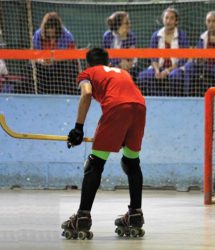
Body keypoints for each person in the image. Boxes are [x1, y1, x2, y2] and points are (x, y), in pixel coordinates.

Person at [61, 48, 146, 239]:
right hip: (140, 107)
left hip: (117, 107)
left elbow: (86, 94)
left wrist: (78, 128)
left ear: (88, 63)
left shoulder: (88, 73)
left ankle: (82, 217)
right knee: (132, 163)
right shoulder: (121, 71)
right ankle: (135, 215)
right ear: (108, 62)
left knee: (95, 164)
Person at [137, 7, 189, 96]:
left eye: (172, 18)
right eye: (166, 18)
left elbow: (183, 59)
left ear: (176, 21)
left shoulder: (182, 35)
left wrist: (167, 71)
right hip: (159, 66)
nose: (168, 21)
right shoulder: (155, 35)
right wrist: (157, 70)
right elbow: (153, 57)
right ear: (163, 19)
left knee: (175, 76)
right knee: (143, 77)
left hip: (176, 68)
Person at [183, 10, 215, 96]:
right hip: (205, 66)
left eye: (213, 21)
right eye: (208, 21)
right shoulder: (203, 37)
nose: (211, 24)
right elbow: (199, 54)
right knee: (189, 66)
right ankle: (187, 97)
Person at [32, 12, 79, 94]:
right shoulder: (38, 35)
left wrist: (54, 60)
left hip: (62, 66)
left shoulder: (67, 36)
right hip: (43, 67)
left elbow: (71, 56)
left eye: (52, 30)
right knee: (31, 67)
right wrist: (42, 61)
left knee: (61, 68)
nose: (50, 33)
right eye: (48, 31)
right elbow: (35, 55)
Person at [102, 11, 139, 81]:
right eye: (126, 23)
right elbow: (106, 55)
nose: (129, 25)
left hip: (129, 67)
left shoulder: (131, 36)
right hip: (112, 66)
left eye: (129, 22)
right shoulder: (107, 36)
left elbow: (133, 56)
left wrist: (128, 64)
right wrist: (118, 62)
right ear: (118, 25)